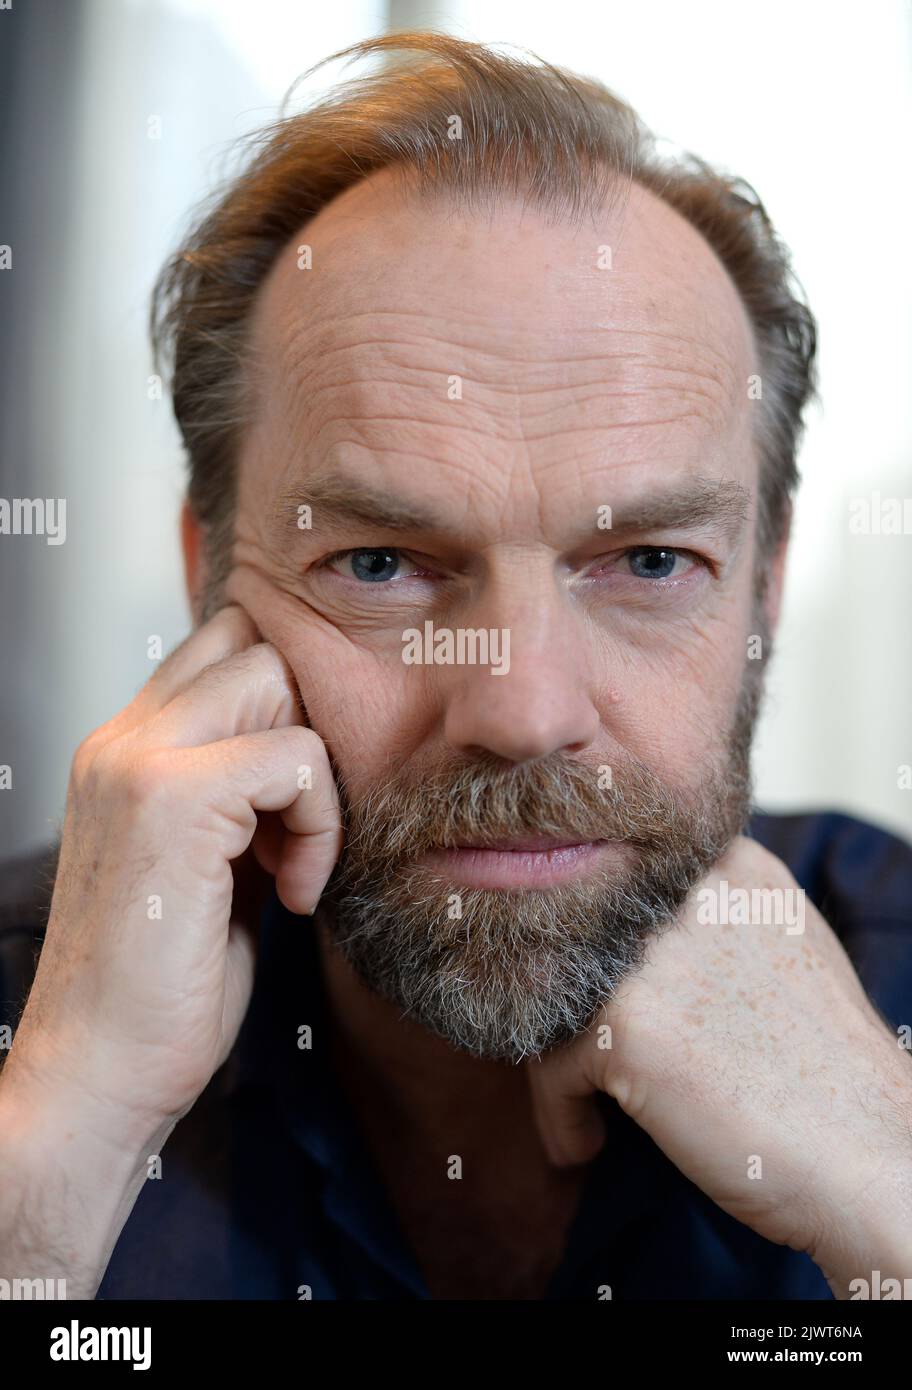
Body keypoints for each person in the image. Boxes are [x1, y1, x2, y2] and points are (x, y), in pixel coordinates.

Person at [1, 31, 910, 1302]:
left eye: (649, 562)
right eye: (380, 564)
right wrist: (56, 1149)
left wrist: (889, 1186)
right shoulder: (36, 1017)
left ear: (761, 585)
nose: (523, 711)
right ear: (210, 572)